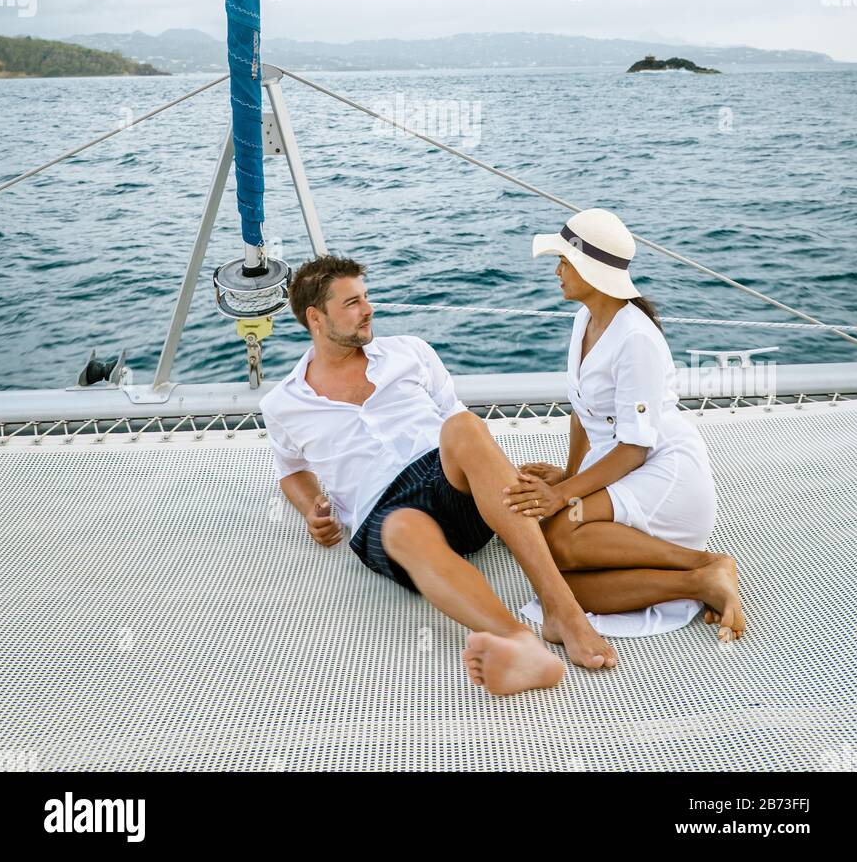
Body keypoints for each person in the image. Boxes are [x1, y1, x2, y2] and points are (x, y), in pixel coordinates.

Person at [260, 253, 620, 696]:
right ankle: (521, 645)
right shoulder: (283, 403)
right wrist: (311, 510)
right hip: (381, 511)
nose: (368, 309)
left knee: (464, 426)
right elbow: (291, 471)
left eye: (366, 297)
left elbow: (462, 428)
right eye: (352, 303)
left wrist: (508, 481)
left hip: (447, 482)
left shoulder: (408, 352)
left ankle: (561, 609)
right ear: (316, 317)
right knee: (404, 527)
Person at [504, 208, 745, 643]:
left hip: (662, 471)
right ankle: (702, 582)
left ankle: (701, 562)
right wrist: (571, 476)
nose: (557, 270)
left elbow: (635, 448)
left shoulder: (635, 339)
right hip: (623, 463)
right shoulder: (585, 320)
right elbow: (581, 409)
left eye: (563, 261)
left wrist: (561, 496)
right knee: (554, 582)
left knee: (557, 538)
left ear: (589, 270)